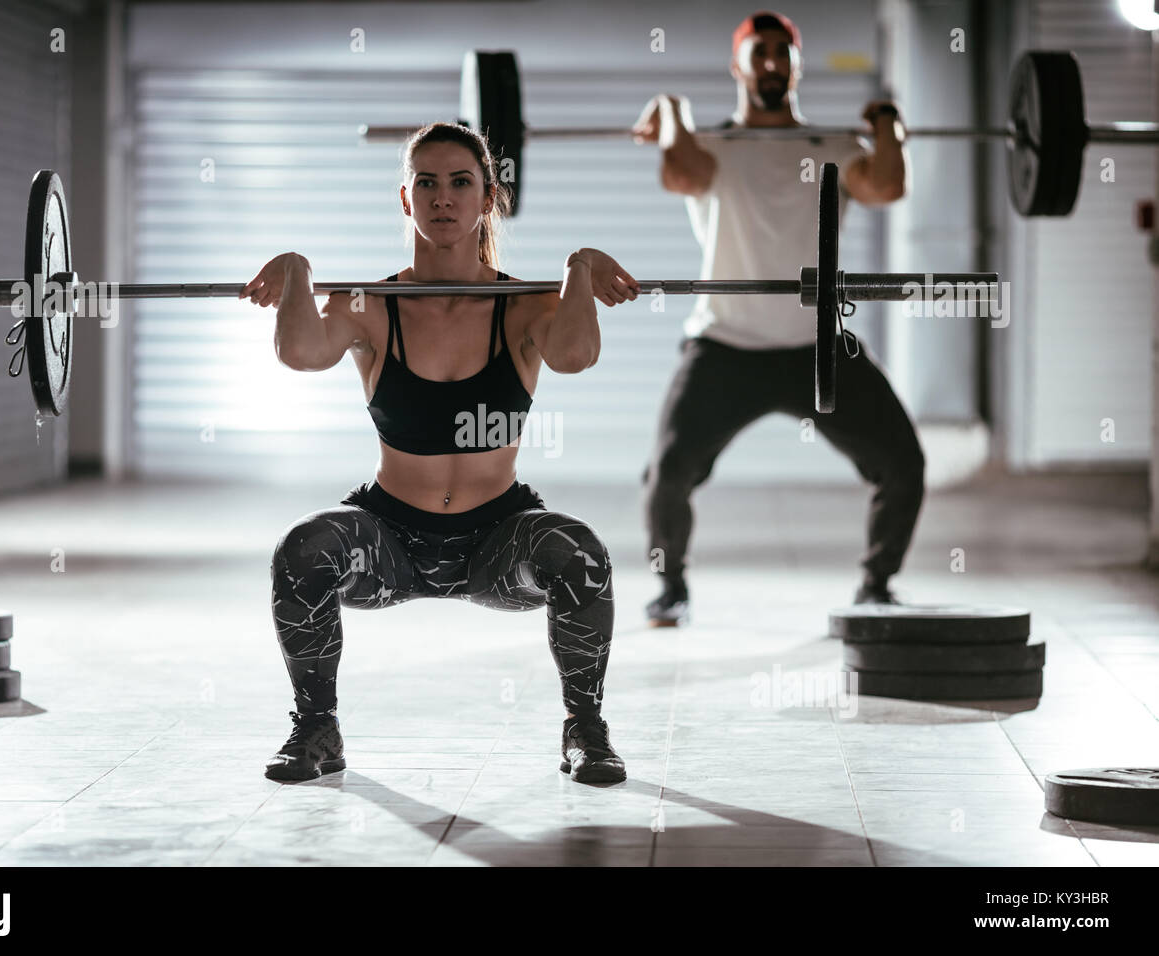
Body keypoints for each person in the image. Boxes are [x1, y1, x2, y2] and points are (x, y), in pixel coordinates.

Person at [242, 122, 639, 784]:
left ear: (488, 199)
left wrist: (581, 268)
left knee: (582, 554)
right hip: (391, 539)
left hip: (497, 540)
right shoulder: (371, 304)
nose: (443, 199)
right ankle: (316, 729)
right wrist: (296, 271)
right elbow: (299, 352)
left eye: (461, 183)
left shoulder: (524, 305)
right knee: (301, 552)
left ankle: (586, 729)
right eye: (426, 183)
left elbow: (575, 354)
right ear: (406, 199)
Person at [633, 10, 923, 627]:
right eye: (759, 53)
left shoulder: (837, 147)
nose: (771, 63)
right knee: (669, 472)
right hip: (723, 346)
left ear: (795, 67)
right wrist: (672, 110)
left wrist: (889, 126)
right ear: (738, 66)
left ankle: (875, 586)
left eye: (782, 54)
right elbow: (680, 170)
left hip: (815, 346)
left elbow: (889, 187)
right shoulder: (711, 146)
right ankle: (671, 587)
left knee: (904, 462)